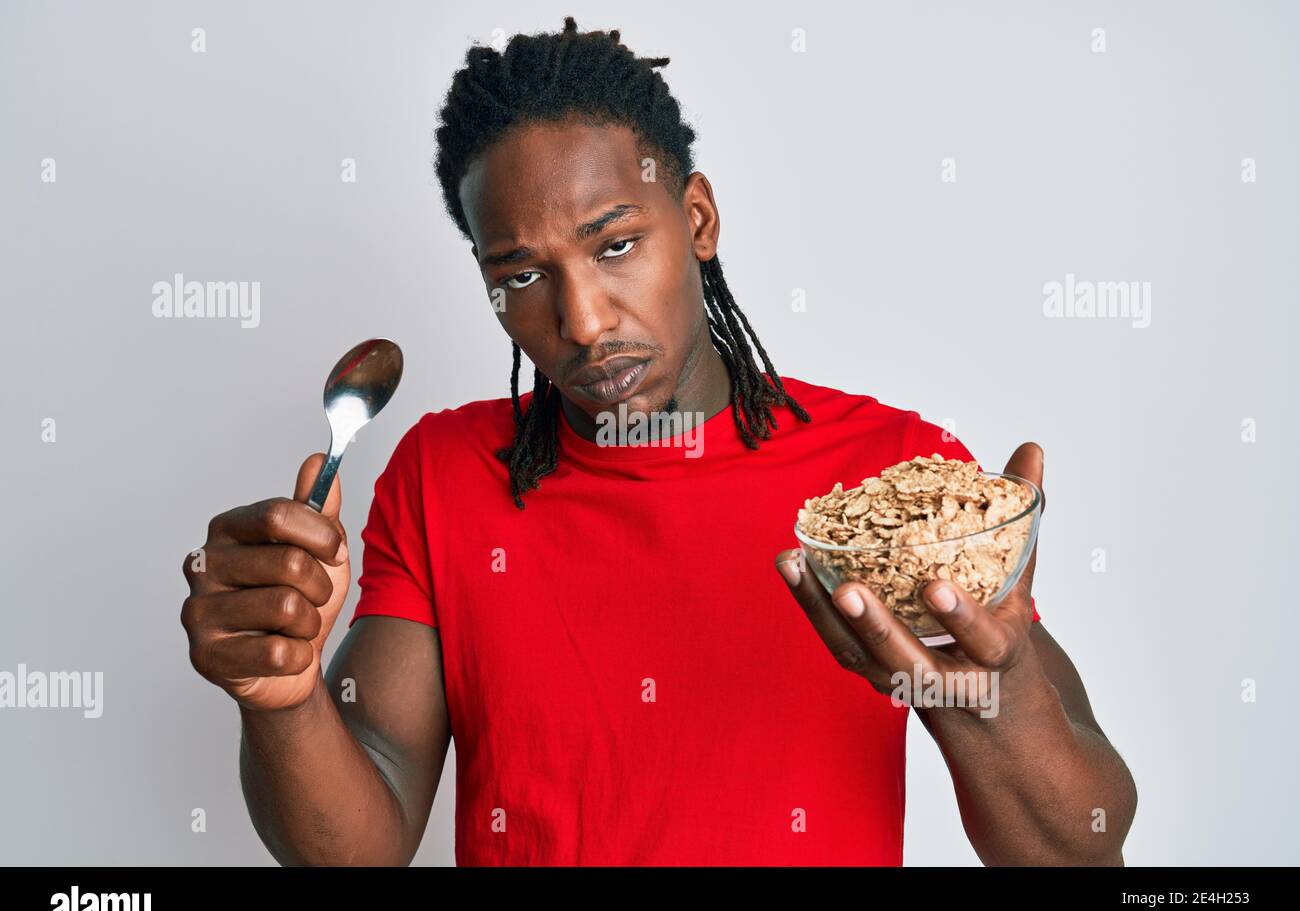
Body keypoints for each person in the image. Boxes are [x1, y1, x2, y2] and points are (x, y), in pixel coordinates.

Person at [181, 17, 1136, 866]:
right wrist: (284, 701)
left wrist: (980, 694)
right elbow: (362, 837)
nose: (586, 321)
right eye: (522, 275)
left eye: (614, 244)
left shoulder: (887, 477)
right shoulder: (445, 474)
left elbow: (1083, 848)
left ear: (699, 220)